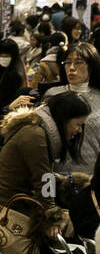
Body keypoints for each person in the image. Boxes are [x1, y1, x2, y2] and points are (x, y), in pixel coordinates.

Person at [0, 91, 89, 218]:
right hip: (2, 215)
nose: (79, 130)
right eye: (78, 124)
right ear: (64, 118)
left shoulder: (40, 130)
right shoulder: (35, 135)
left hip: (9, 208)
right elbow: (43, 178)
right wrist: (52, 215)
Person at [41, 42, 100, 175]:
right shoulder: (53, 95)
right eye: (67, 62)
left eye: (78, 62)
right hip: (55, 173)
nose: (71, 68)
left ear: (91, 66)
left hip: (91, 176)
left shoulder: (99, 97)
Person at [0, 39, 27, 119]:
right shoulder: (2, 68)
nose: (2, 58)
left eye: (6, 56)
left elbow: (8, 100)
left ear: (13, 56)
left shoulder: (15, 74)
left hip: (8, 114)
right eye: (0, 55)